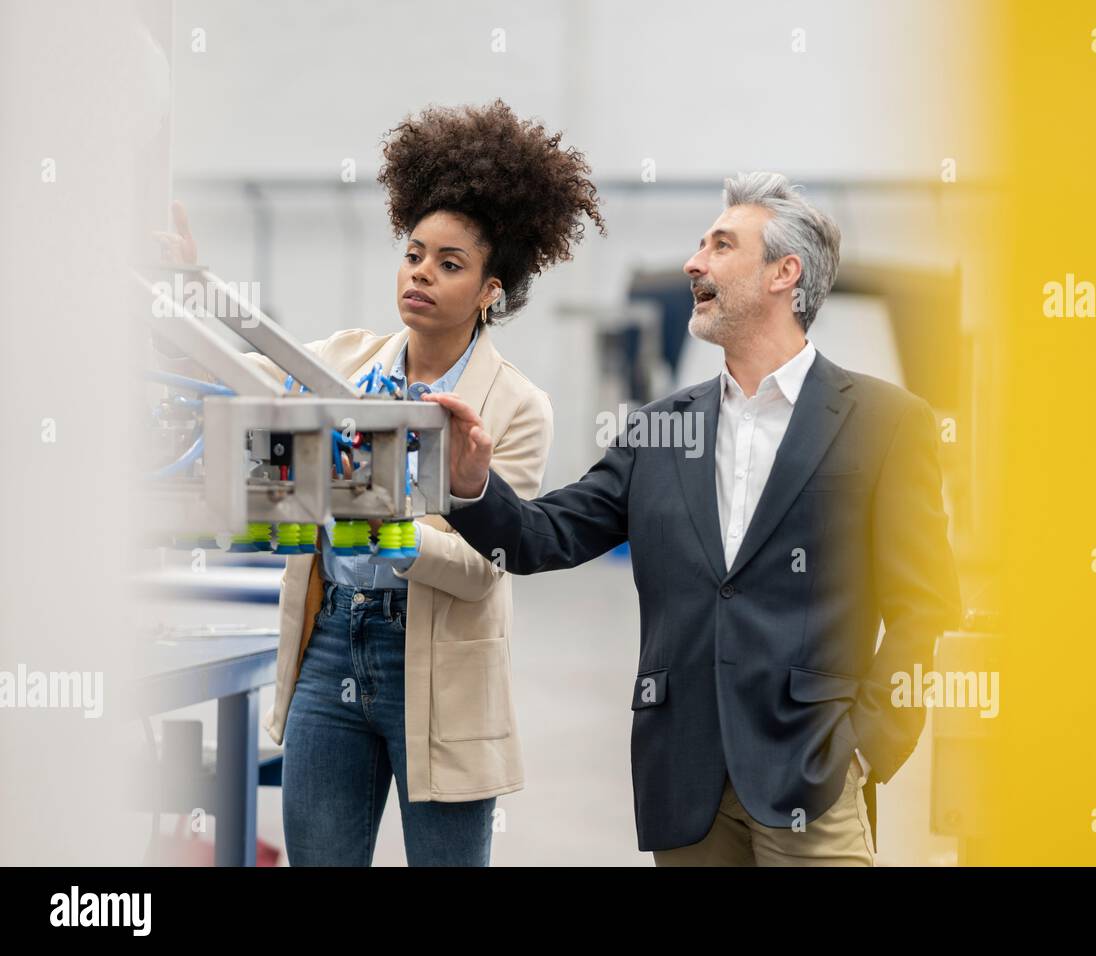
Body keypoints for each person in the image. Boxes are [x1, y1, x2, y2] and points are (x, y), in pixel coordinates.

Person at [428, 171, 963, 866]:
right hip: (686, 783)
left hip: (814, 780)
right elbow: (542, 537)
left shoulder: (885, 424)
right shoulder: (658, 431)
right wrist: (473, 486)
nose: (693, 262)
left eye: (719, 245)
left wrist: (869, 747)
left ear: (784, 273)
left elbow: (924, 607)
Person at [157, 99, 605, 865]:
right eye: (414, 253)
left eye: (450, 264)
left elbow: (485, 565)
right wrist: (183, 284)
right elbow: (226, 374)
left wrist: (376, 522)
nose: (422, 273)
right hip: (331, 640)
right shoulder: (342, 362)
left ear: (492, 290)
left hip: (438, 663)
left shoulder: (516, 407)